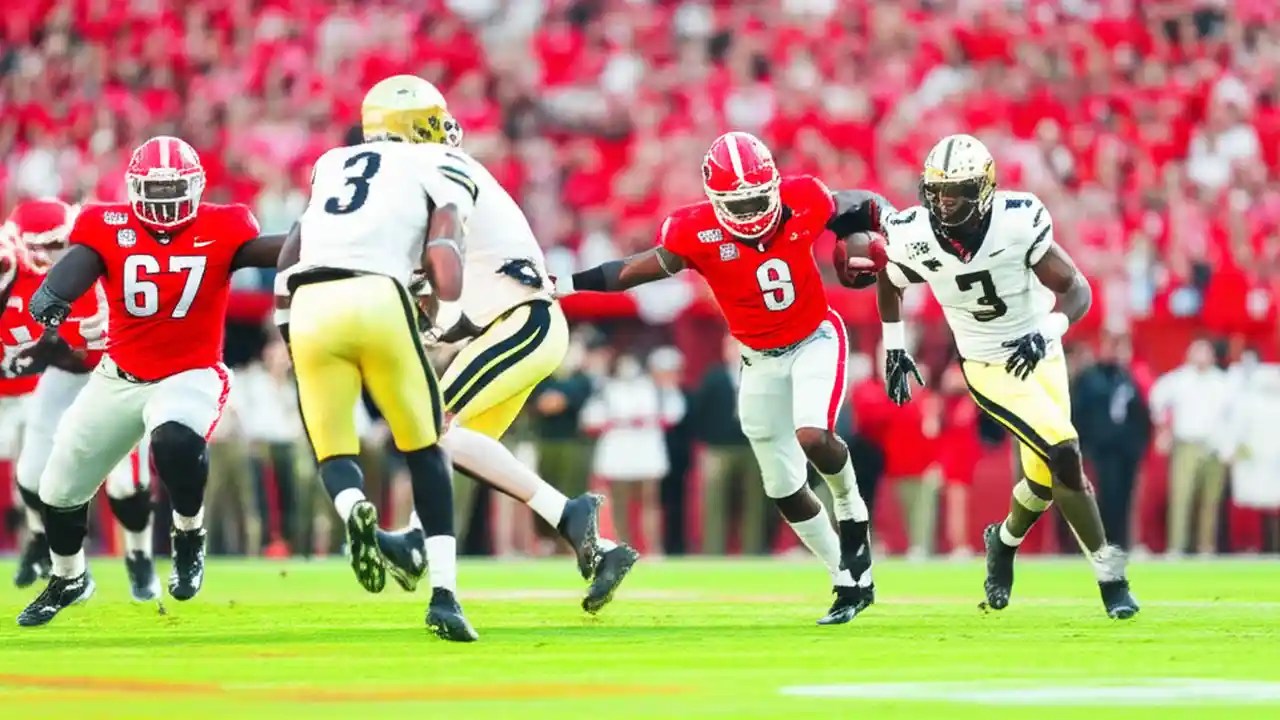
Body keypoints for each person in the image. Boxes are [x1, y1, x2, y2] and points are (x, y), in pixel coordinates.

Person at [558, 131, 877, 625]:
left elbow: (860, 207)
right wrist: (566, 283)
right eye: (739, 201)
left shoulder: (804, 196)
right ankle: (847, 578)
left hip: (815, 338)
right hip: (757, 358)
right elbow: (636, 269)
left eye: (757, 197)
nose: (750, 211)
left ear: (772, 183)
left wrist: (860, 242)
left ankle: (853, 513)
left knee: (813, 433)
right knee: (782, 487)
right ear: (715, 199)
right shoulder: (692, 229)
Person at [370, 74, 635, 613]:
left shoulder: (436, 171)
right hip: (514, 322)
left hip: (521, 319)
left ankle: (566, 516)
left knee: (433, 427)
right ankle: (594, 544)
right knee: (454, 444)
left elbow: (439, 255)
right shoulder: (444, 167)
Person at [866, 133, 1139, 619]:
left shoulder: (1018, 221)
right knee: (1064, 450)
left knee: (1041, 480)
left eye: (959, 192)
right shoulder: (915, 233)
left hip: (1040, 353)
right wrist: (894, 347)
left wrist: (1049, 330)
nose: (946, 203)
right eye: (938, 191)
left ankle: (1003, 543)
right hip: (989, 364)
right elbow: (889, 279)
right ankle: (1110, 576)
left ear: (985, 190)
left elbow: (1076, 290)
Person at [17, 135, 287, 627]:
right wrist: (52, 298)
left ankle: (188, 533)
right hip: (118, 376)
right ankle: (69, 578)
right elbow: (76, 268)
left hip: (191, 372)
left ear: (197, 187)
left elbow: (275, 250)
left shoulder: (225, 225)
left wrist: (327, 240)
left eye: (174, 190)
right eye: (155, 191)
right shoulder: (105, 222)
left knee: (174, 439)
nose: (164, 203)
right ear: (135, 189)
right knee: (57, 489)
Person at [275, 75, 478, 641]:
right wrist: (442, 299)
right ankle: (444, 595)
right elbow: (445, 255)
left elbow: (295, 244)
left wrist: (283, 323)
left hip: (310, 301)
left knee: (333, 447)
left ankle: (354, 510)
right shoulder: (435, 162)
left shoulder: (330, 162)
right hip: (375, 295)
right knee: (424, 448)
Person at [2, 199, 158, 599]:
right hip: (62, 379)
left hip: (114, 376)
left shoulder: (101, 260)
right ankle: (66, 565)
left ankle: (139, 558)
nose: (57, 254)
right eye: (45, 246)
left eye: (62, 242)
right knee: (32, 478)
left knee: (127, 485)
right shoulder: (10, 274)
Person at [1149, 339, 1230, 556]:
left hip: (1214, 447)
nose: (1201, 356)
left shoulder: (1222, 382)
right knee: (1181, 497)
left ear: (1212, 356)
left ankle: (1206, 547)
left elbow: (1234, 416)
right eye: (1197, 351)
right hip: (1186, 445)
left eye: (1205, 351)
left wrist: (1228, 447)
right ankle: (1177, 546)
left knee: (1210, 501)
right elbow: (1156, 398)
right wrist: (1162, 428)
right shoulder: (1179, 379)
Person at [1071, 334, 1151, 550]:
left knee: (1124, 499)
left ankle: (1121, 543)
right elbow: (1079, 412)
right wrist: (1083, 444)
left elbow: (1140, 414)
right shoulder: (1090, 378)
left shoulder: (1129, 378)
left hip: (1126, 450)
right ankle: (1100, 543)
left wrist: (1139, 445)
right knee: (1105, 497)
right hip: (1101, 449)